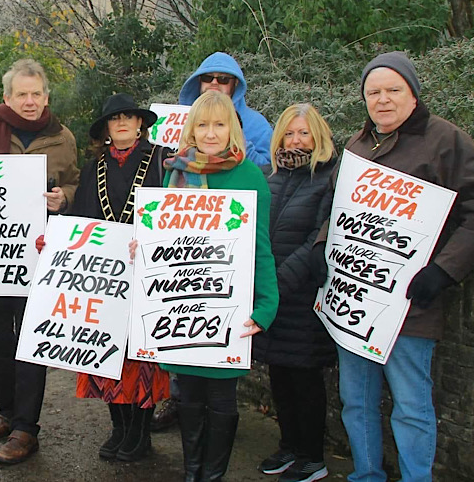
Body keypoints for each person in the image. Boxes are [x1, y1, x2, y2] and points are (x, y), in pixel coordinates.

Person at [310, 52, 474, 482]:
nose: (382, 100)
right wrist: (322, 246)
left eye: (393, 90)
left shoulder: (448, 142)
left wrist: (445, 270)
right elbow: (338, 206)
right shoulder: (358, 145)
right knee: (356, 400)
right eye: (373, 92)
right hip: (355, 301)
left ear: (413, 94)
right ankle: (366, 475)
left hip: (410, 304)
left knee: (412, 405)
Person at [153, 90, 278, 481]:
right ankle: (193, 473)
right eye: (203, 125)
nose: (210, 133)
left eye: (219, 124)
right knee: (188, 394)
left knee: (222, 397)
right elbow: (162, 236)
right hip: (181, 304)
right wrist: (144, 244)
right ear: (191, 129)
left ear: (232, 130)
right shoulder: (175, 172)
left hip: (226, 305)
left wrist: (267, 304)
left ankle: (212, 476)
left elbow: (260, 246)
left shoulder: (250, 176)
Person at [0, 58, 80, 464]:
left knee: (33, 341)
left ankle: (26, 429)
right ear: (7, 97)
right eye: (22, 94)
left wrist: (64, 197)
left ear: (46, 97)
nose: (29, 101)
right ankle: (8, 412)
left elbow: (75, 181)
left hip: (39, 256)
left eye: (36, 94)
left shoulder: (62, 137)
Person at [69, 93, 171, 462]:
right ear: (107, 129)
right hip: (105, 276)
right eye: (115, 118)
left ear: (141, 123)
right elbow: (80, 219)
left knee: (142, 356)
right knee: (105, 351)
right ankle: (119, 427)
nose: (123, 122)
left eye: (129, 116)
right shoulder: (92, 168)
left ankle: (141, 434)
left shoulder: (162, 160)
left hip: (148, 272)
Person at [254, 104, 336, 482]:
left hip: (302, 298)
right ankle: (289, 446)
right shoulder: (270, 177)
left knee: (305, 379)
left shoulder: (329, 179)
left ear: (318, 136)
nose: (296, 140)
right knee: (280, 375)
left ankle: (312, 456)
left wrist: (278, 282)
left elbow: (319, 236)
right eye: (289, 133)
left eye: (304, 133)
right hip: (273, 297)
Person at [178, 52, 273, 167]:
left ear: (235, 83)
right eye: (207, 78)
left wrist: (239, 143)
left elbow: (268, 169)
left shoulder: (257, 124)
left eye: (223, 79)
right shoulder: (179, 117)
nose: (214, 83)